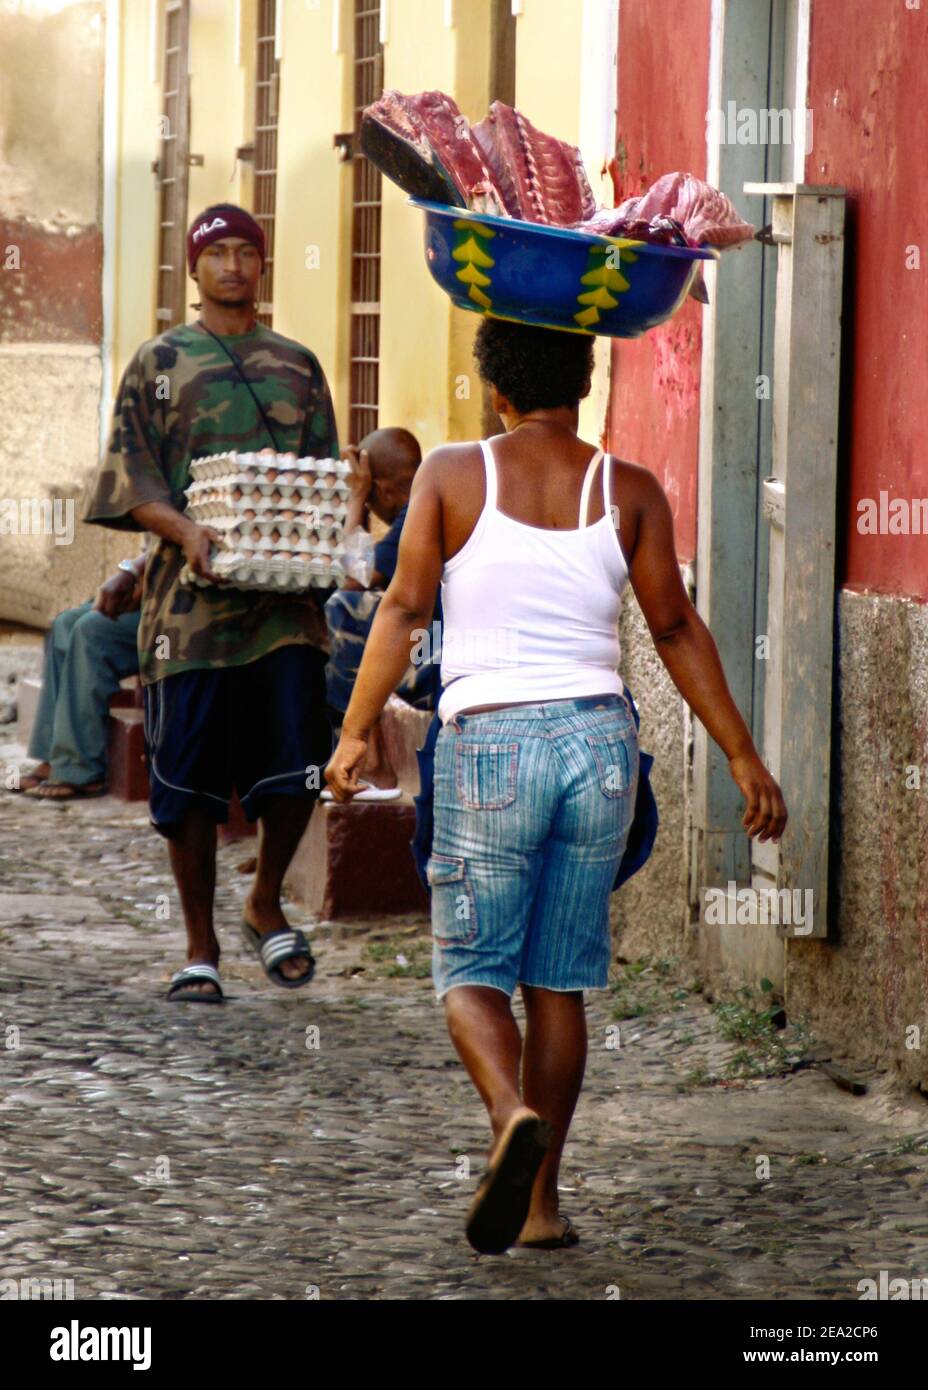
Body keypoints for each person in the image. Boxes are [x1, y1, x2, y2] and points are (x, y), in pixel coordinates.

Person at [325, 315, 787, 1254]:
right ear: (581, 381)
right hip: (599, 748)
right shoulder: (631, 489)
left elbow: (407, 606)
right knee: (558, 983)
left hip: (492, 742)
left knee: (469, 971)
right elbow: (675, 629)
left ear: (494, 389)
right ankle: (539, 1206)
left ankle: (507, 1119)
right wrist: (741, 753)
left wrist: (354, 728)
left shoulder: (454, 474)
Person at [83, 203, 339, 1004]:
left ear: (263, 267)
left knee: (297, 770)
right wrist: (185, 534)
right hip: (186, 621)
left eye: (246, 253)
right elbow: (132, 477)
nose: (233, 265)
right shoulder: (160, 360)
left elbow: (324, 476)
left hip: (284, 613)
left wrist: (338, 543)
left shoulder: (297, 365)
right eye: (217, 253)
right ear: (193, 269)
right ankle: (200, 946)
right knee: (186, 787)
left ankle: (264, 902)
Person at [322, 427, 440, 799]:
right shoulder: (438, 498)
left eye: (372, 500)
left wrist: (356, 498)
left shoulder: (417, 511)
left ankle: (371, 762)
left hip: (443, 658)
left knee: (342, 613)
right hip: (458, 649)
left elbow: (352, 580)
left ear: (385, 491)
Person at [13, 555, 145, 799]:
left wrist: (137, 576)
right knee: (64, 623)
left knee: (91, 630)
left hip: (178, 610)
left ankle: (80, 771)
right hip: (151, 591)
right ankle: (54, 758)